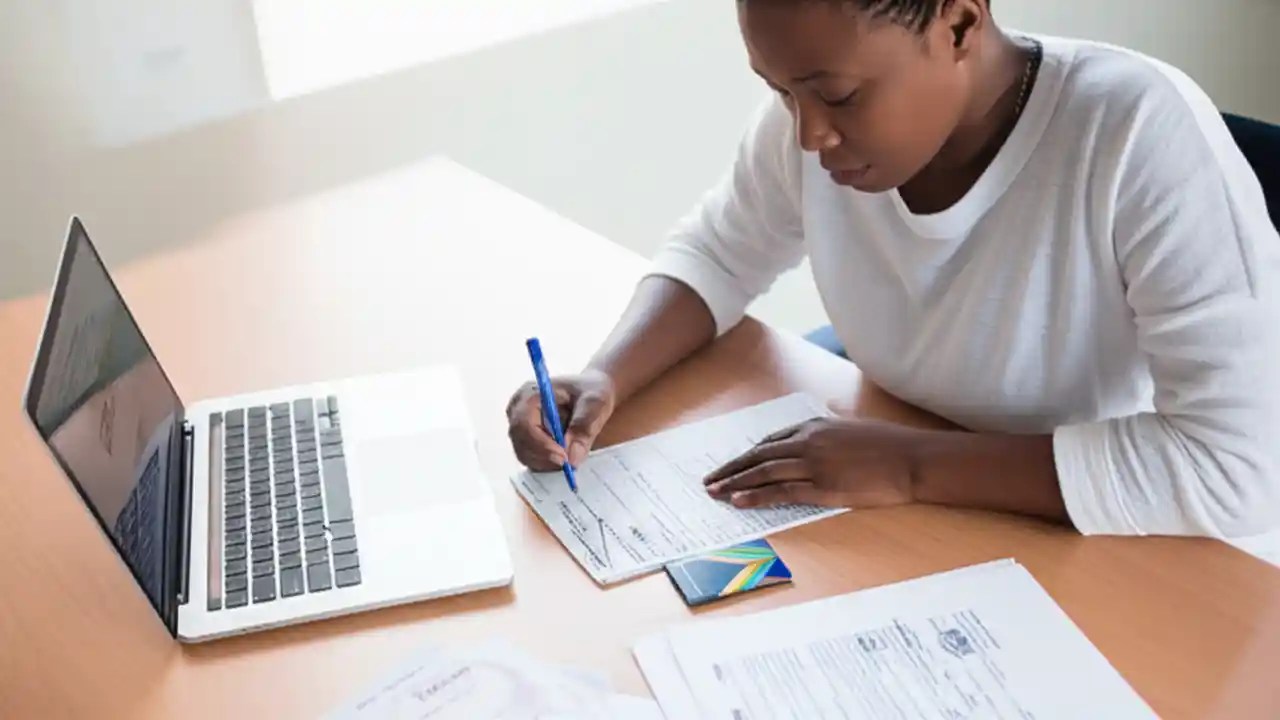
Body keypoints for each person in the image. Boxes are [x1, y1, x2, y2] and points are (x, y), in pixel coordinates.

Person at [505, 0, 1280, 558]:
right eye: (780, 91)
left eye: (838, 95)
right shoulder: (808, 127)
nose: (809, 134)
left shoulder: (1135, 133)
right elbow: (718, 251)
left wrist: (911, 465)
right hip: (914, 512)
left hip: (1127, 537)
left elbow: (1239, 467)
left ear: (960, 24)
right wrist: (608, 375)